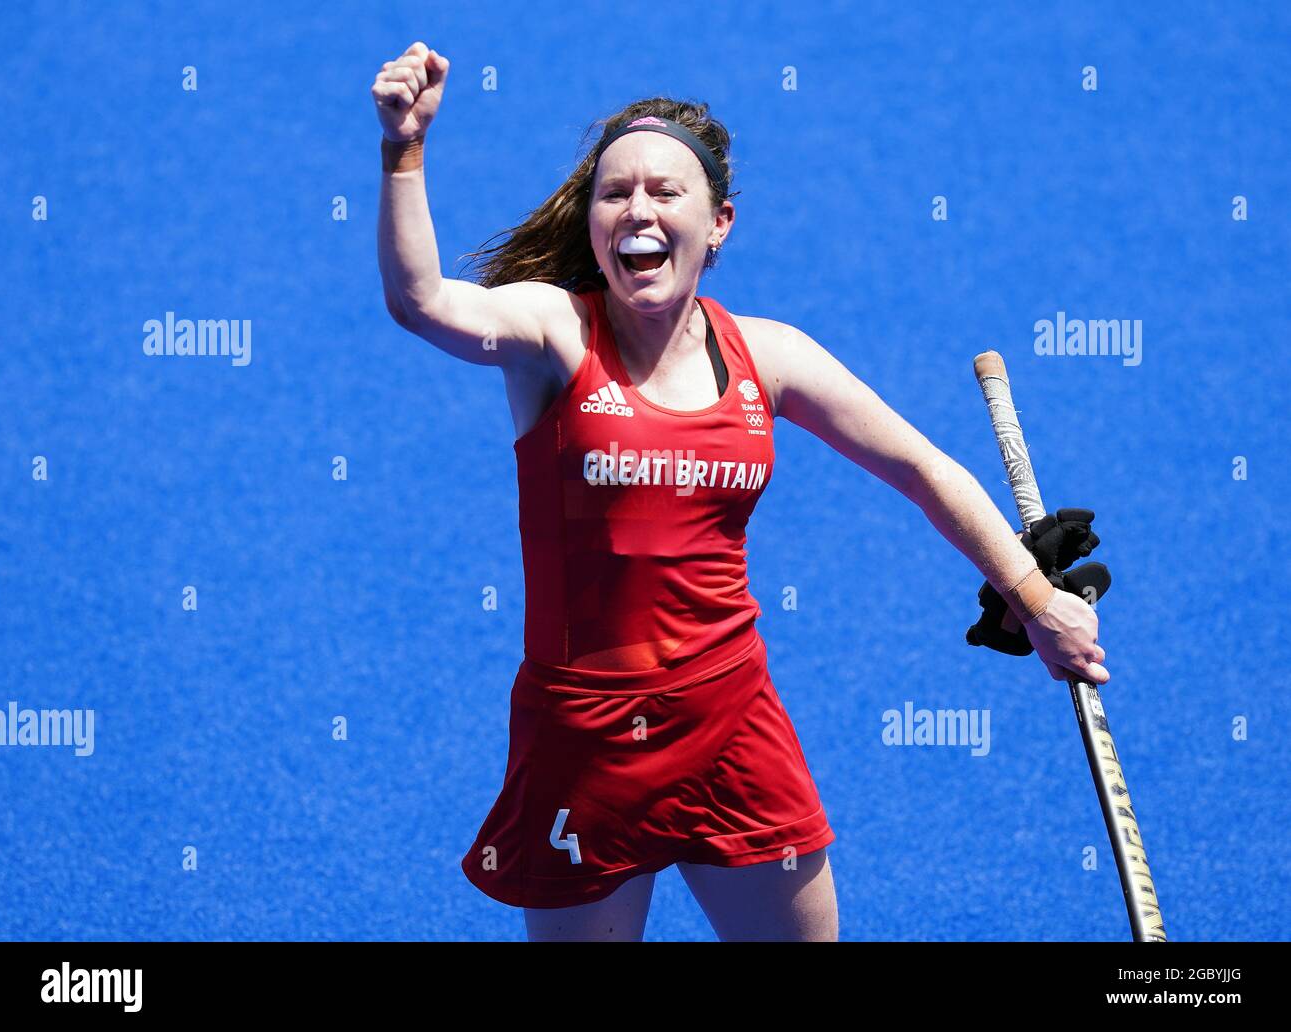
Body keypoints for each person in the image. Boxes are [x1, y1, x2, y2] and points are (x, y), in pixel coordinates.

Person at [372, 42, 1109, 942]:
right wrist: (404, 154)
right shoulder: (554, 332)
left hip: (730, 721)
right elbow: (421, 302)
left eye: (664, 192)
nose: (636, 209)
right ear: (595, 221)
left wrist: (1035, 601)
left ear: (718, 223)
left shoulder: (768, 355)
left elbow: (924, 469)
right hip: (585, 740)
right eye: (615, 193)